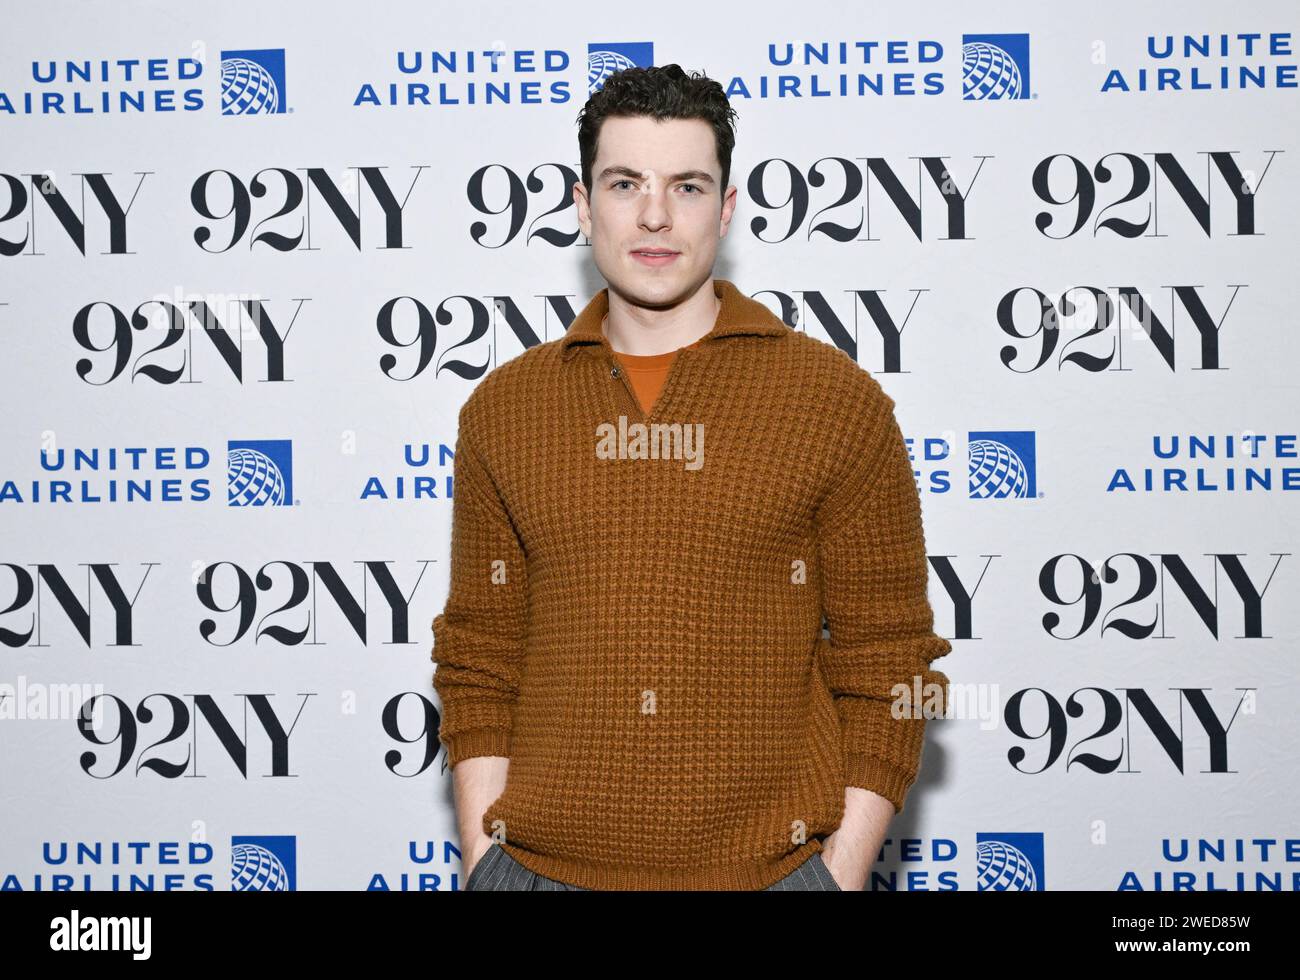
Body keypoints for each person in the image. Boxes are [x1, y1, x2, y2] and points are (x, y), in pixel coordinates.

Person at [431, 64, 952, 891]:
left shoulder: (834, 401)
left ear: (728, 208)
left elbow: (892, 664)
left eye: (688, 185)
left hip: (773, 875)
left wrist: (837, 874)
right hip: (534, 873)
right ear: (581, 204)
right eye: (625, 182)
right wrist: (482, 859)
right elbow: (480, 657)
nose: (655, 214)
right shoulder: (505, 408)